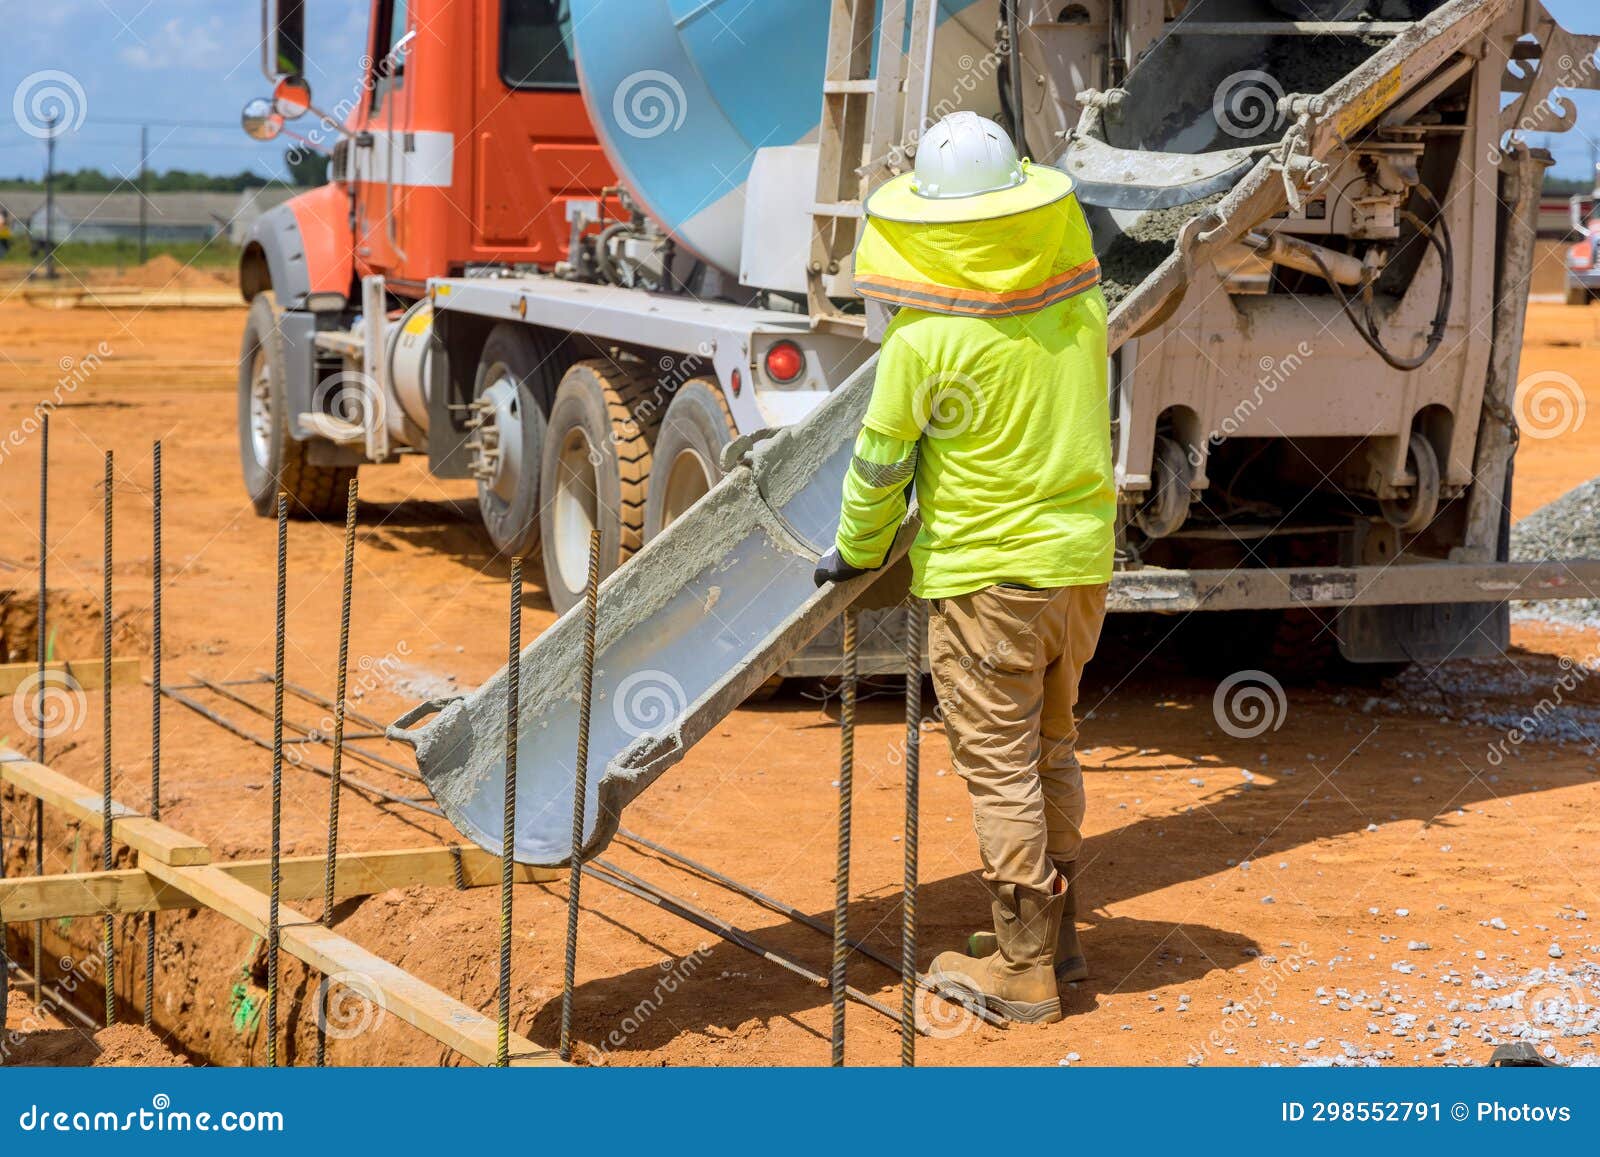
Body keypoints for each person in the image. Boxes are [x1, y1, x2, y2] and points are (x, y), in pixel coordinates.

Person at [813, 111, 1113, 1025]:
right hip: (1079, 571)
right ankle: (1055, 944)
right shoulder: (1080, 306)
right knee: (1053, 746)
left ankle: (1023, 973)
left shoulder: (921, 342)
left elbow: (878, 469)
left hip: (988, 584)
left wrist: (854, 557)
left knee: (1000, 767)